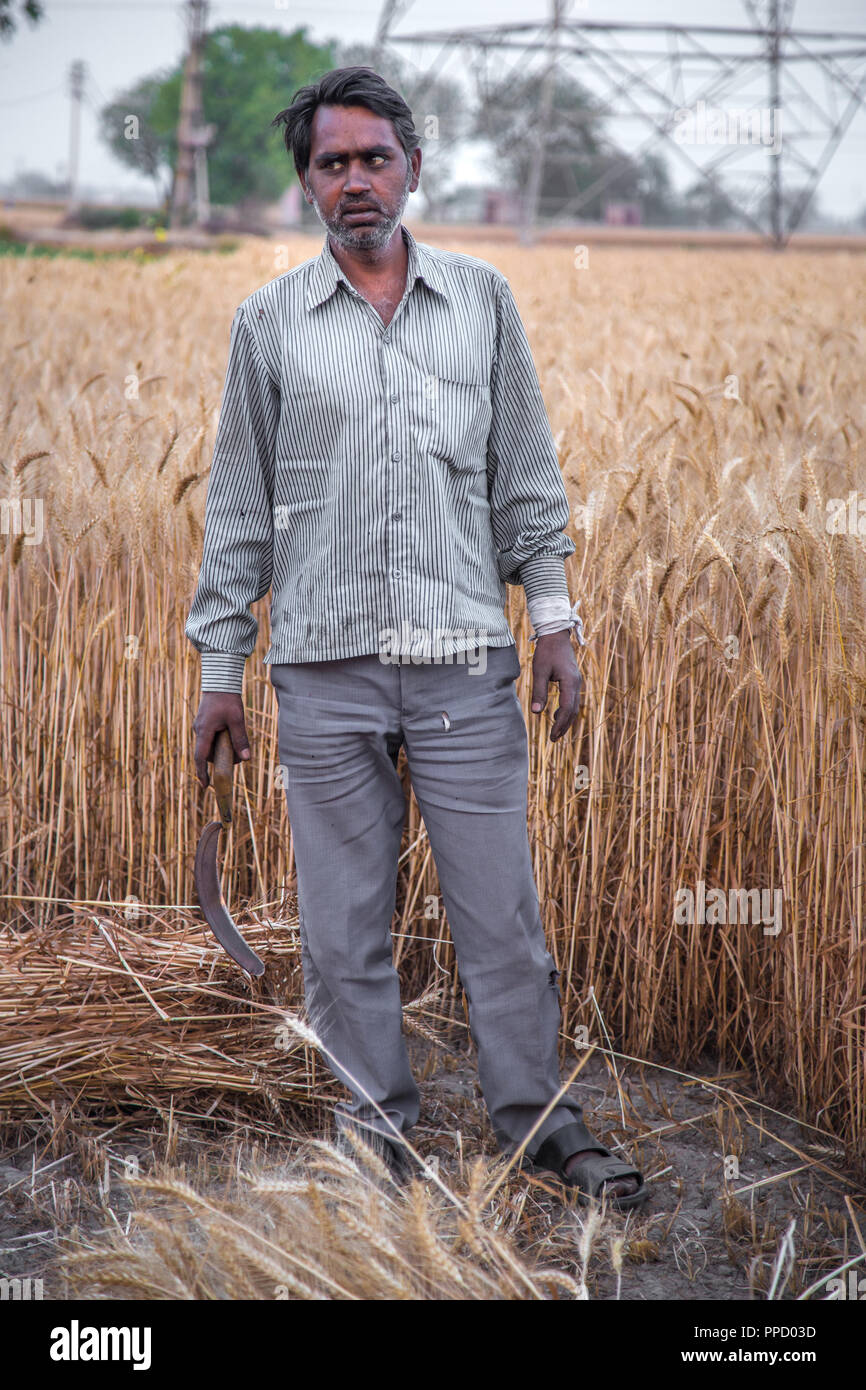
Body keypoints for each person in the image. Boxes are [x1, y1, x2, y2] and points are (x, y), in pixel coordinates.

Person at [186, 66, 647, 1209]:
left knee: (501, 913)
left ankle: (539, 1121)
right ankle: (374, 1121)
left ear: (412, 168)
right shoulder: (269, 324)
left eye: (372, 157)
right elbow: (238, 507)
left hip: (459, 660)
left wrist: (552, 618)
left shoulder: (482, 302)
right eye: (331, 162)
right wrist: (217, 671)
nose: (354, 179)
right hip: (324, 666)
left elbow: (524, 478)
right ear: (307, 182)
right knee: (342, 921)